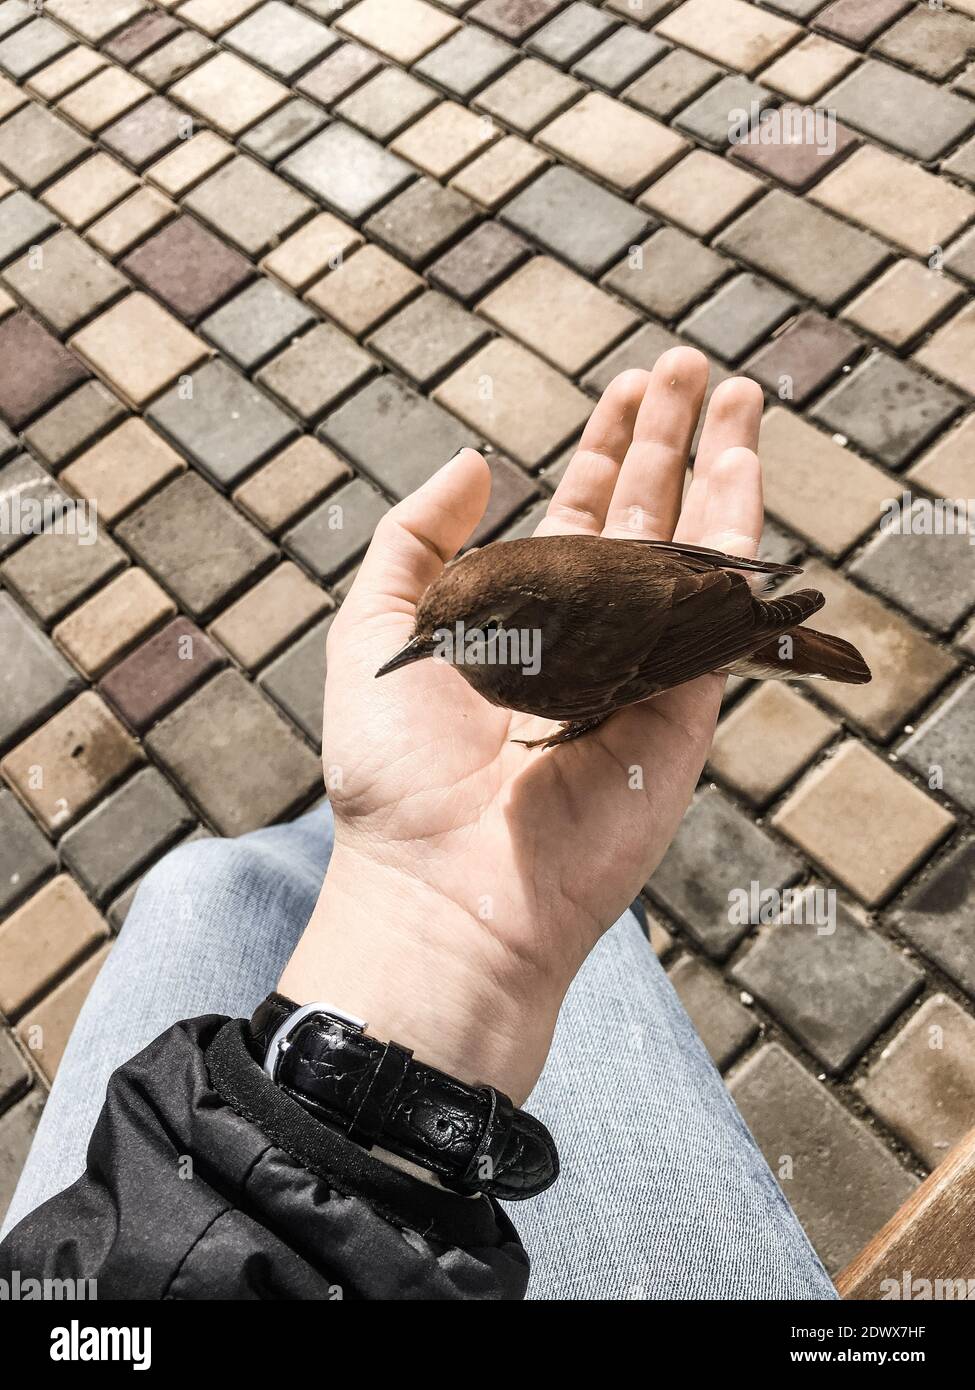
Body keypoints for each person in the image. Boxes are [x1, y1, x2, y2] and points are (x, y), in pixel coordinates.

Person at [0, 349, 835, 1300]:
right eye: (435, 637)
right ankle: (342, 853)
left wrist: (722, 636)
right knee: (225, 879)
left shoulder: (532, 671)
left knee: (210, 881)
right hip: (673, 585)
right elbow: (642, 563)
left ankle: (337, 851)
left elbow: (640, 659)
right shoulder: (505, 625)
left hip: (687, 619)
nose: (433, 653)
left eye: (447, 641)